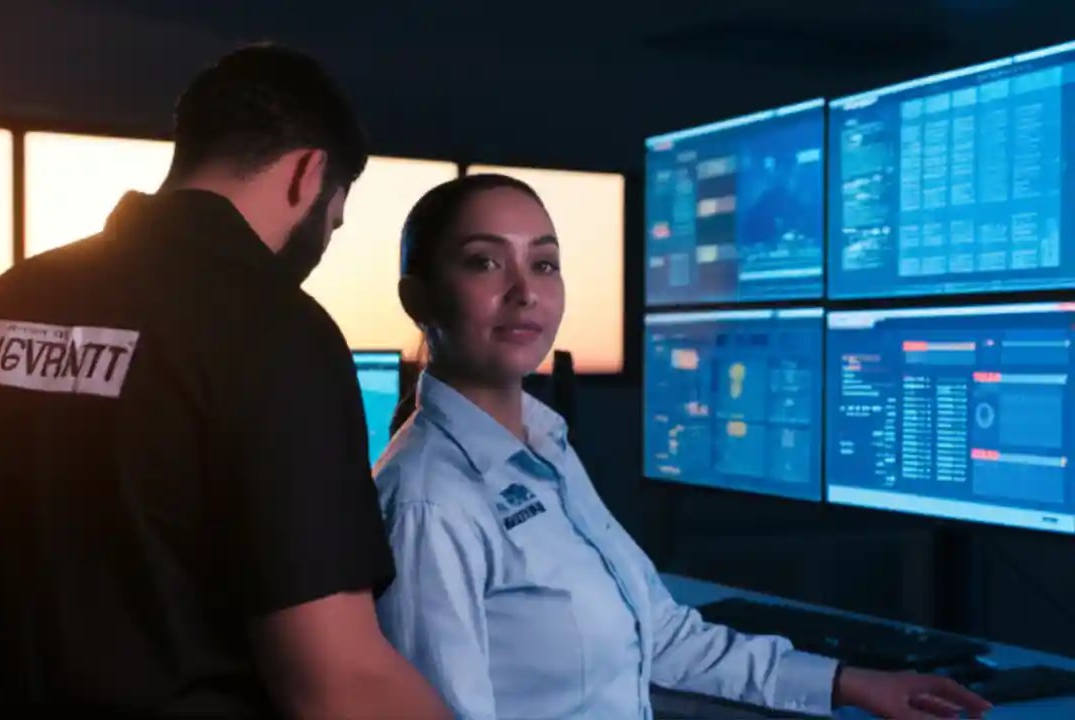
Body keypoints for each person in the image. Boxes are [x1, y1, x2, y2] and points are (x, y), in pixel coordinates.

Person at [0, 44, 451, 719]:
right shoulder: (278, 330)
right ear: (308, 177)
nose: (323, 240)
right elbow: (338, 682)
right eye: (332, 221)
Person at [373, 174, 993, 720]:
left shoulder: (545, 447)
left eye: (543, 263)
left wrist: (846, 682)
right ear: (418, 300)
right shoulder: (428, 501)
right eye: (484, 263)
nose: (525, 291)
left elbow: (662, 635)